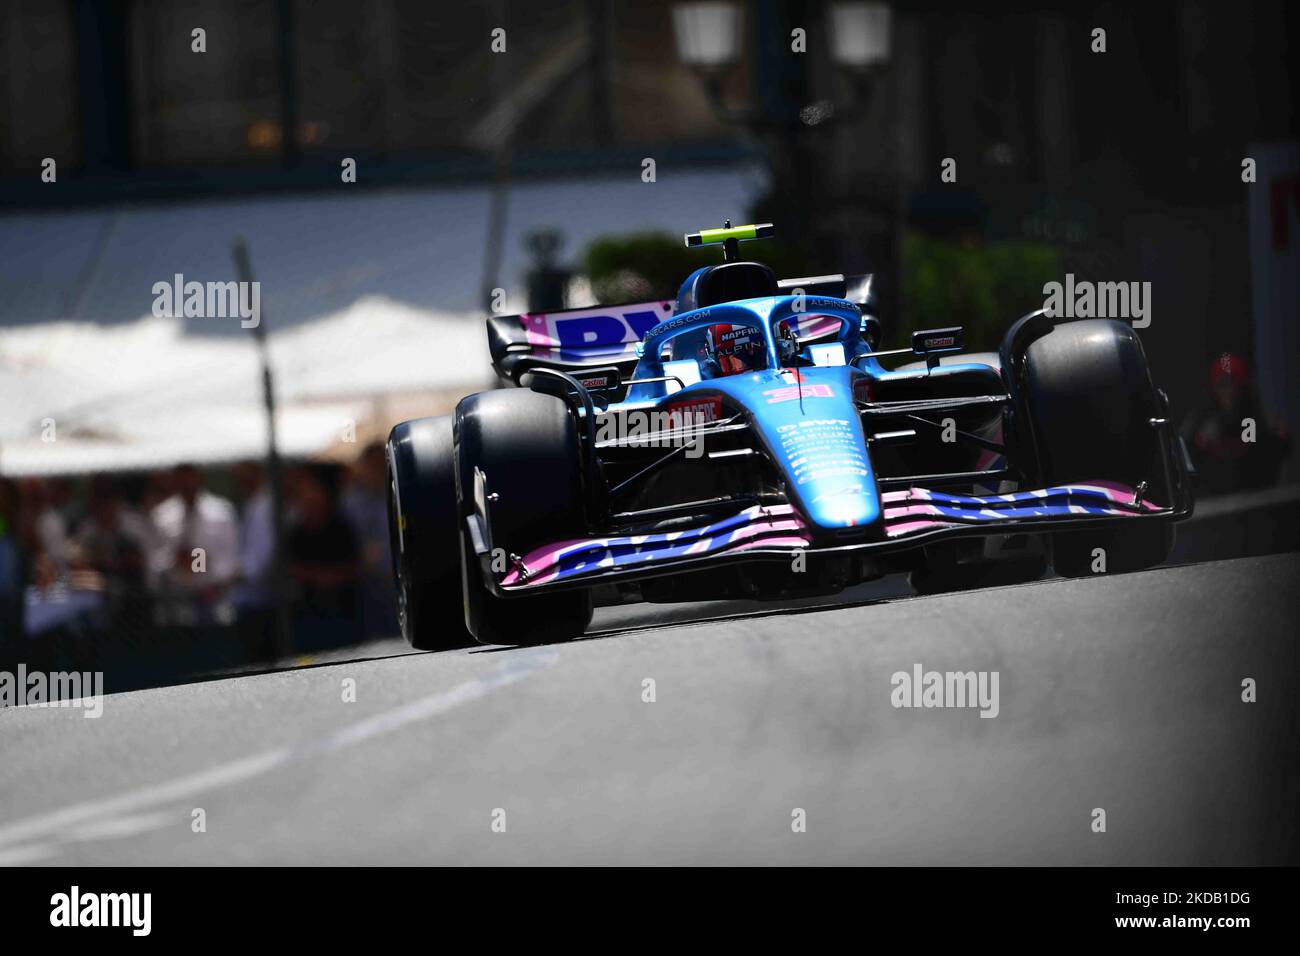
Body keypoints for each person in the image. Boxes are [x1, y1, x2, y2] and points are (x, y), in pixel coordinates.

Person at [1181, 353, 1289, 495]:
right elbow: (1184, 455)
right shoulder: (1202, 419)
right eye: (1223, 385)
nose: (1229, 392)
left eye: (1233, 383)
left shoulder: (1256, 417)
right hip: (1215, 500)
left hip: (1255, 495)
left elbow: (1274, 450)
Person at [149, 464, 240, 627]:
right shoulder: (162, 515)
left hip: (213, 598)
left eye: (190, 477)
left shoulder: (221, 512)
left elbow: (230, 560)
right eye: (182, 478)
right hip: (176, 600)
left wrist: (204, 566)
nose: (187, 483)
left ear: (199, 478)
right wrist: (176, 561)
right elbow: (155, 562)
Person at [286, 467, 361, 649]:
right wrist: (316, 576)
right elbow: (290, 567)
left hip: (344, 610)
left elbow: (356, 563)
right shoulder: (296, 531)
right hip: (308, 611)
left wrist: (336, 576)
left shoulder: (342, 526)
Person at [341, 443, 397, 639]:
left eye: (378, 466)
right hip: (368, 580)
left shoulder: (396, 493)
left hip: (395, 576)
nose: (374, 472)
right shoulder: (353, 500)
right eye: (370, 466)